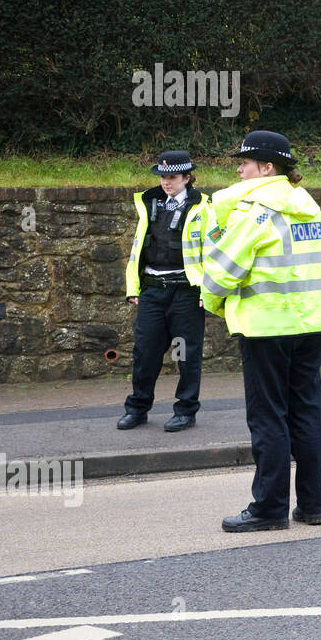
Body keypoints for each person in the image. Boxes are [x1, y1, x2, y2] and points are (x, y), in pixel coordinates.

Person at [200, 131, 321, 533]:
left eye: (244, 163)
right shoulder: (309, 207)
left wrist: (211, 303)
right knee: (307, 413)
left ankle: (269, 509)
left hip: (265, 328)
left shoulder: (255, 211)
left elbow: (223, 269)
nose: (238, 170)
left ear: (267, 167)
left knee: (268, 417)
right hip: (310, 325)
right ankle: (313, 505)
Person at [118, 150, 213, 433]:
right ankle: (137, 408)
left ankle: (185, 411)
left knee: (186, 355)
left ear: (187, 177)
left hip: (186, 292)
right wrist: (133, 287)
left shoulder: (204, 208)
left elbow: (212, 252)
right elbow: (137, 249)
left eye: (172, 177)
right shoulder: (150, 203)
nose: (166, 182)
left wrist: (206, 291)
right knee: (144, 353)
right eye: (162, 177)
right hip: (152, 290)